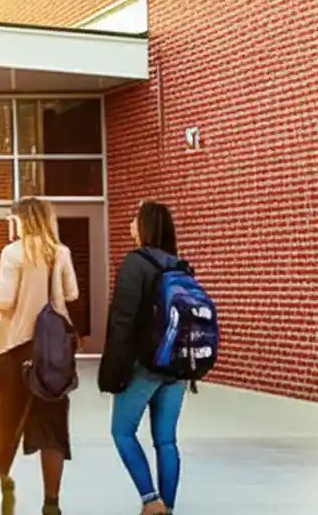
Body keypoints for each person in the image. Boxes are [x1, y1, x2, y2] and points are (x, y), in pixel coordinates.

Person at [0, 198, 79, 515]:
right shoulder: (60, 252)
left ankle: (0, 499)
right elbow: (71, 294)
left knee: (8, 426)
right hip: (53, 353)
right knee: (52, 428)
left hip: (15, 350)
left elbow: (6, 299)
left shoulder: (12, 253)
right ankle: (52, 503)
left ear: (23, 220)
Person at [99, 201, 186, 515]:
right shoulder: (179, 264)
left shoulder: (136, 263)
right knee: (166, 440)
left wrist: (112, 370)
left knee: (122, 431)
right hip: (177, 366)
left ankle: (151, 500)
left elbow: (122, 319)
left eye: (135, 219)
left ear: (146, 225)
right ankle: (169, 506)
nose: (130, 225)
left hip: (144, 366)